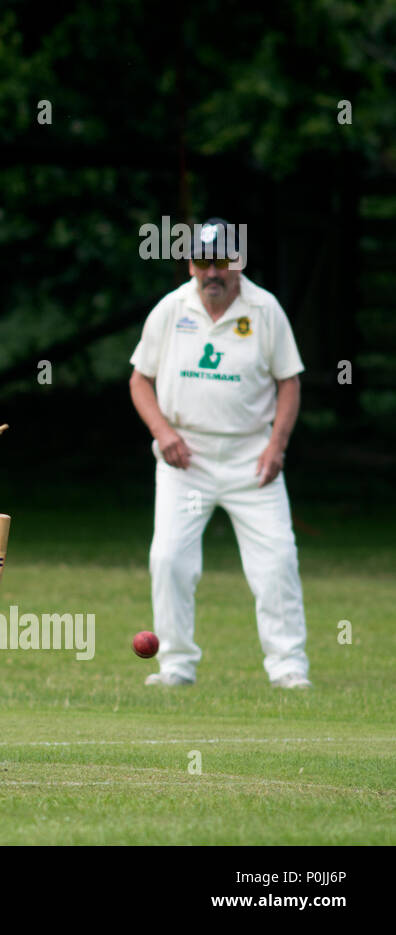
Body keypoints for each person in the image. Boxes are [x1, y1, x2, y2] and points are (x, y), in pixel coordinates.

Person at [127, 219, 311, 689]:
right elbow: (139, 379)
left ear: (239, 262)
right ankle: (177, 666)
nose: (212, 272)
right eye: (202, 262)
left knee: (276, 561)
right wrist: (162, 432)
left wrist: (277, 445)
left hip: (253, 457)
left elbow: (288, 381)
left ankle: (288, 666)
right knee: (168, 559)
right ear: (190, 264)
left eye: (222, 262)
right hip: (185, 458)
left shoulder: (265, 309)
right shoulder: (172, 309)